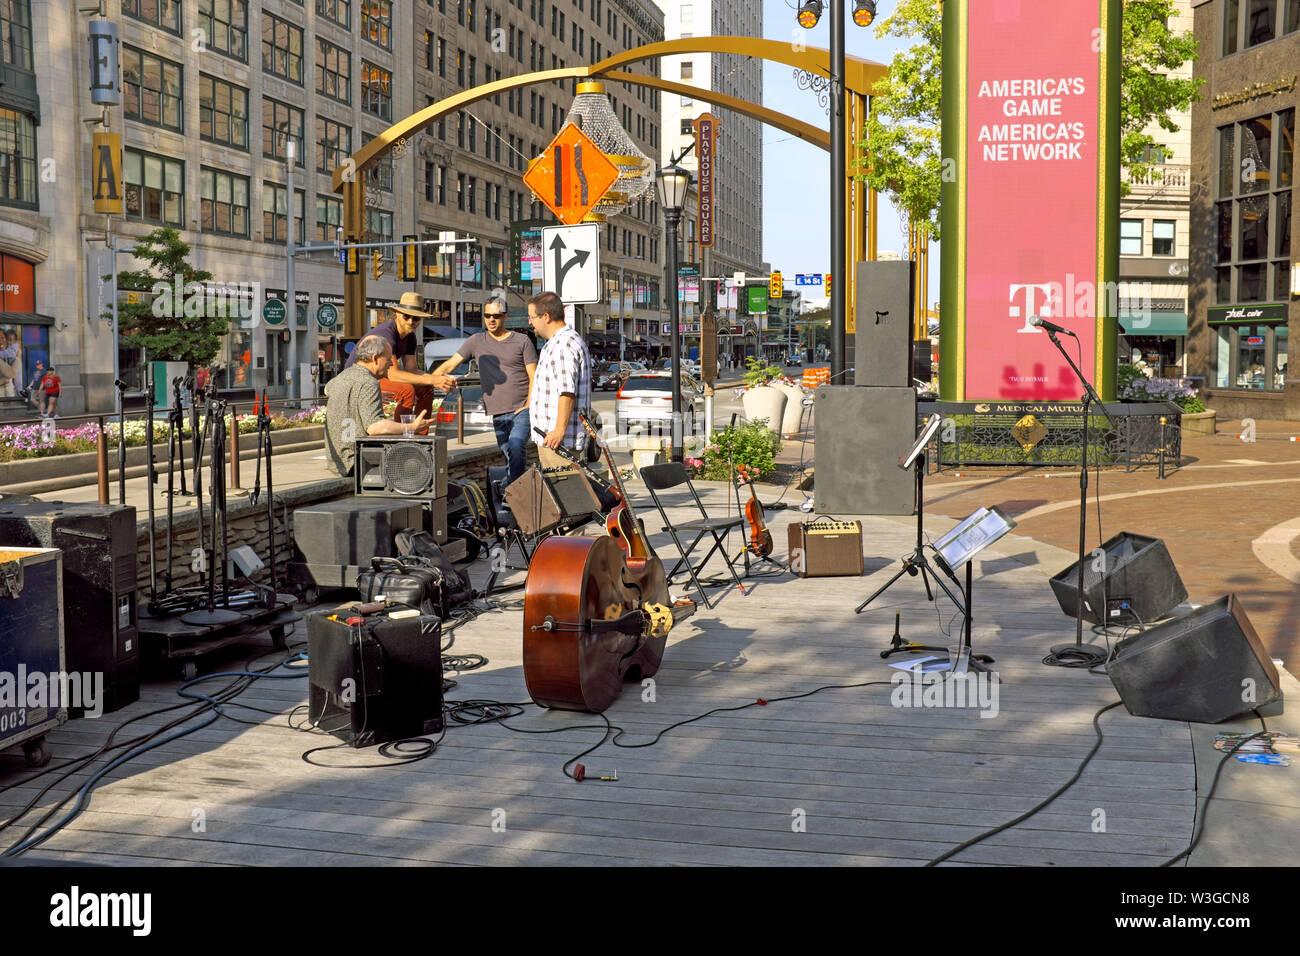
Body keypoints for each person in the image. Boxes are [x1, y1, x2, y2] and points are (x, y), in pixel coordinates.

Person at [430, 289, 537, 485]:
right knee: (509, 456)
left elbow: (534, 376)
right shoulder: (476, 341)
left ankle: (514, 494)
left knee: (516, 444)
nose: (491, 320)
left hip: (522, 408)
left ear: (505, 316)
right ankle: (517, 492)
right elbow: (450, 365)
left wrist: (528, 405)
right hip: (497, 412)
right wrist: (431, 380)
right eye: (487, 315)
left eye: (496, 316)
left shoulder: (522, 341)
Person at [324, 335, 429, 476]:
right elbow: (375, 427)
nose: (391, 364)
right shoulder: (369, 382)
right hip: (359, 463)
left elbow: (327, 389)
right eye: (388, 359)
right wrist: (411, 427)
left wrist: (361, 398)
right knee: (419, 467)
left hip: (337, 463)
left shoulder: (339, 379)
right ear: (374, 358)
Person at [344, 291, 456, 419]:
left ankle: (419, 434)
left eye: (416, 318)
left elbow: (412, 370)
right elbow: (393, 374)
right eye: (406, 316)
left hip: (377, 376)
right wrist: (433, 380)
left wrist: (438, 380)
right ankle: (401, 434)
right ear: (397, 314)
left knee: (425, 389)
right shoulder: (386, 333)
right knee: (406, 391)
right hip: (358, 379)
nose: (410, 321)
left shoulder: (410, 338)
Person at [527, 291, 592, 470]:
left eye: (532, 317)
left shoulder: (562, 345)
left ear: (546, 317)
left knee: (565, 493)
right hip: (556, 440)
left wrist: (558, 430)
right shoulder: (559, 342)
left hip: (559, 443)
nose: (530, 322)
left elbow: (567, 392)